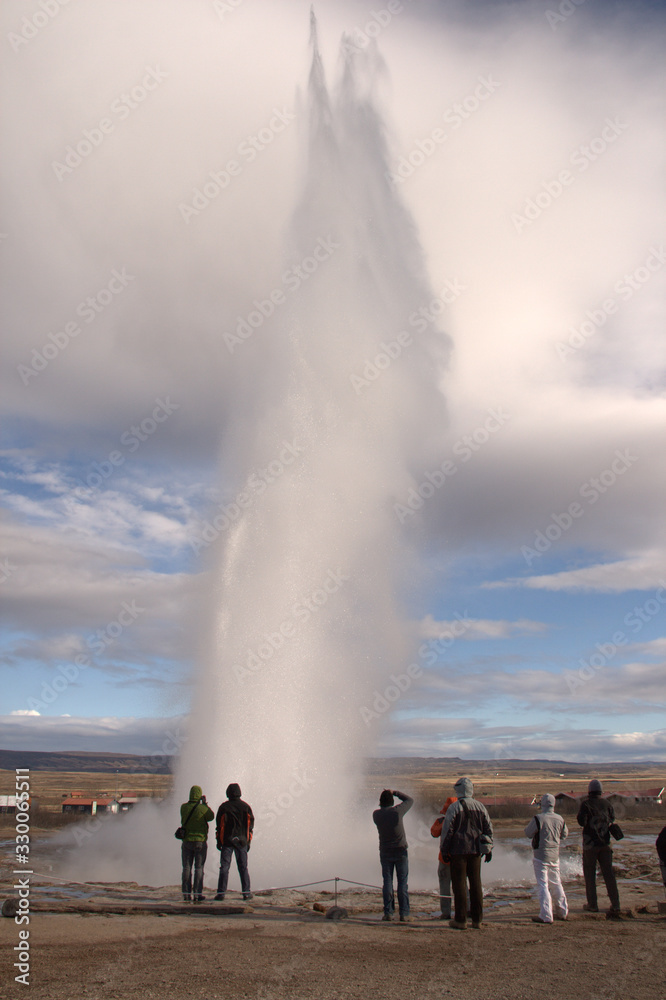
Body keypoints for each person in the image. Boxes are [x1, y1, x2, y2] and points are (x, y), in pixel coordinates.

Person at [440, 777, 493, 929]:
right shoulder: (481, 807)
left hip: (458, 852)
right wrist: (489, 848)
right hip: (476, 852)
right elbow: (488, 829)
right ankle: (477, 920)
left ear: (458, 790)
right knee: (476, 884)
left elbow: (447, 831)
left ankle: (461, 920)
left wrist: (444, 850)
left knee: (459, 885)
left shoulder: (454, 808)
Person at [577, 778, 621, 918]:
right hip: (605, 844)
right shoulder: (607, 804)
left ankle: (593, 905)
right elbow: (612, 819)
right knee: (609, 875)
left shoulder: (586, 804)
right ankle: (615, 904)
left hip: (590, 845)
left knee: (590, 875)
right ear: (600, 791)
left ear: (589, 791)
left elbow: (581, 822)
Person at [525, 793, 568, 923]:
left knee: (543, 885)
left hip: (540, 856)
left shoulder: (539, 818)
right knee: (556, 882)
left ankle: (546, 915)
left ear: (542, 804)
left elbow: (528, 833)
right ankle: (562, 911)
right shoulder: (560, 819)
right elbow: (564, 835)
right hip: (555, 856)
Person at [372, 789, 414, 922]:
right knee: (402, 882)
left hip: (385, 851)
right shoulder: (397, 812)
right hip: (400, 850)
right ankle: (404, 914)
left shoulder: (376, 815)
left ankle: (388, 913)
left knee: (387, 882)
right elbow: (410, 800)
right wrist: (395, 792)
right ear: (392, 801)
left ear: (380, 802)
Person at [215, 783, 254, 901]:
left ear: (228, 793)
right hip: (242, 841)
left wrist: (219, 841)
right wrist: (248, 841)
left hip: (227, 841)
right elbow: (250, 826)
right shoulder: (246, 807)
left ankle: (221, 893)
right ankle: (246, 893)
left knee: (224, 867)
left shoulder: (224, 807)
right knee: (243, 867)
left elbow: (219, 826)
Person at [179, 784, 214, 903]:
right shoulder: (202, 808)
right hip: (200, 842)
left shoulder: (183, 807)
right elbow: (211, 817)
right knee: (199, 868)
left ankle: (186, 894)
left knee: (186, 867)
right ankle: (198, 894)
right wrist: (204, 804)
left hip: (187, 841)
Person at [430, 796, 457, 919]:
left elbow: (434, 833)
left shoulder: (442, 821)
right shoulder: (464, 820)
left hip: (444, 859)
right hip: (460, 858)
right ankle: (465, 909)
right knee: (461, 885)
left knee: (445, 886)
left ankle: (446, 912)